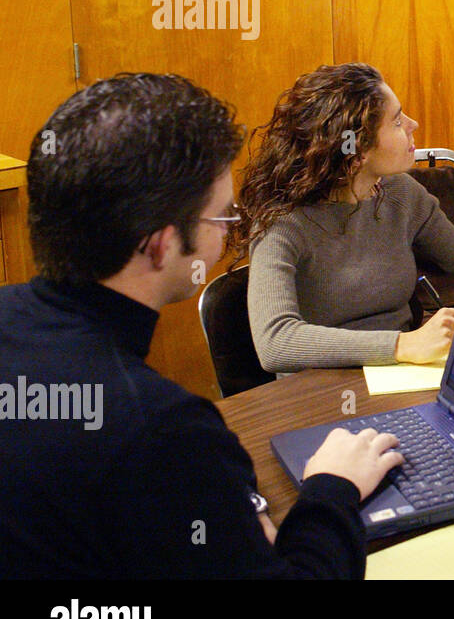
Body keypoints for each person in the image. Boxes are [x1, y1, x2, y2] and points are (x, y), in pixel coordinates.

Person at [0, 73, 402, 578]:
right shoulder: (165, 430)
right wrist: (331, 488)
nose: (230, 232)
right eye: (223, 218)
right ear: (163, 245)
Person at [233, 63, 454, 373]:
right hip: (320, 389)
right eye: (397, 121)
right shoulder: (282, 223)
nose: (413, 124)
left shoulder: (401, 192)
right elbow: (276, 344)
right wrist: (401, 346)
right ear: (357, 152)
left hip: (403, 374)